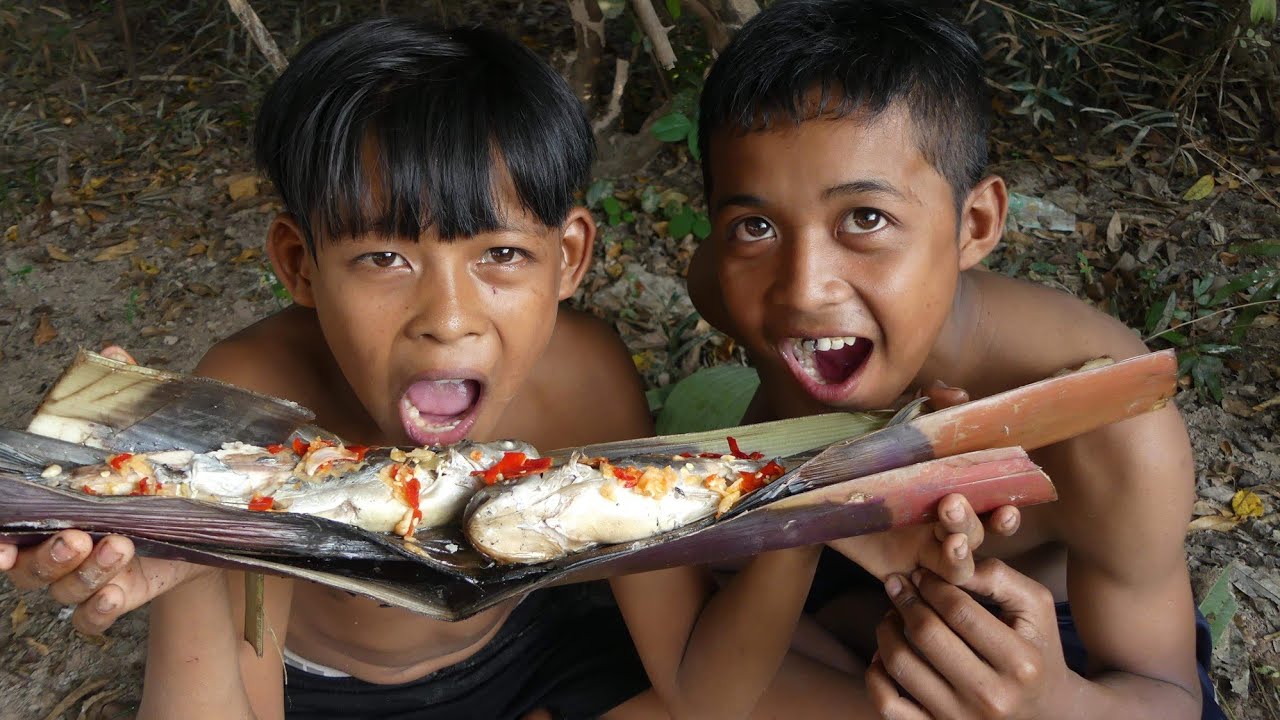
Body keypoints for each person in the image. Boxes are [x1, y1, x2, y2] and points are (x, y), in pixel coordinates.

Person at [1, 17, 997, 720]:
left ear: (568, 258)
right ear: (301, 265)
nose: (446, 321)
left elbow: (701, 691)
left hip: (532, 655)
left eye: (499, 258)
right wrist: (182, 545)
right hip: (331, 699)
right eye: (383, 258)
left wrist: (801, 503)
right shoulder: (242, 405)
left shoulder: (582, 380)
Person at [685, 1, 1224, 718]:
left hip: (1028, 640)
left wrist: (1047, 698)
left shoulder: (1106, 426)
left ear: (975, 224)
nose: (804, 290)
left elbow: (1168, 695)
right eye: (755, 225)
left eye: (866, 219)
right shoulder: (732, 284)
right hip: (816, 571)